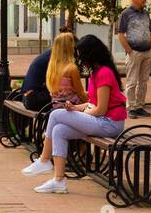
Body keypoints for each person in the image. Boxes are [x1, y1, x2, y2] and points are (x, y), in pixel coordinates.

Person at [22, 34, 126, 194]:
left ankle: (44, 160)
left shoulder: (104, 73)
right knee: (59, 131)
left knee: (56, 115)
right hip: (100, 120)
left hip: (110, 123)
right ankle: (58, 180)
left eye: (80, 53)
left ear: (90, 53)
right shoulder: (95, 72)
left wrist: (85, 112)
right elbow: (92, 102)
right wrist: (75, 108)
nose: (78, 57)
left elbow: (101, 109)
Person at [116, 0, 151, 117]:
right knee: (132, 81)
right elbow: (120, 34)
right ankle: (131, 107)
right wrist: (129, 51)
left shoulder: (146, 13)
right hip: (134, 52)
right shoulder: (125, 14)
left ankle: (139, 106)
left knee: (143, 81)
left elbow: (150, 30)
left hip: (147, 52)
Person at [19, 26, 73, 111]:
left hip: (27, 97)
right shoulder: (55, 58)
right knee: (69, 99)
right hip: (34, 99)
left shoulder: (51, 54)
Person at [46, 31, 87, 110]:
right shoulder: (71, 68)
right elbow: (81, 94)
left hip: (56, 106)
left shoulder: (52, 68)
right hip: (71, 107)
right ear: (70, 48)